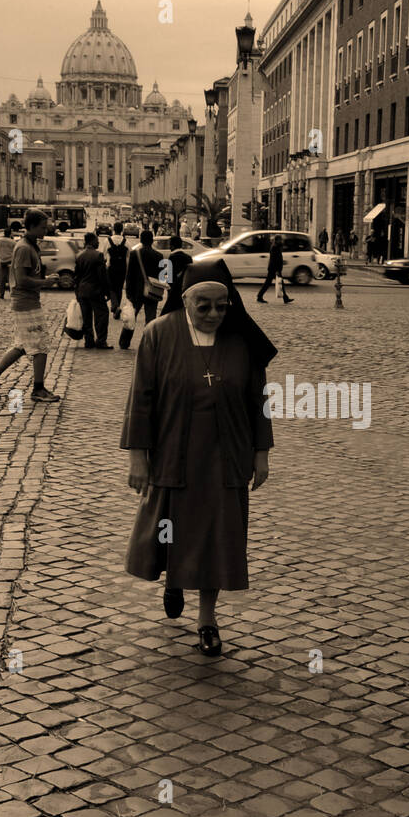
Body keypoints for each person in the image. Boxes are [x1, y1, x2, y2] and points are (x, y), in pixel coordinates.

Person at [122, 258, 277, 657]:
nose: (213, 314)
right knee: (170, 531)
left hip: (226, 457)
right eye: (203, 306)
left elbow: (258, 400)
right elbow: (141, 399)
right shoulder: (158, 334)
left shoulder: (242, 340)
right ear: (185, 300)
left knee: (217, 541)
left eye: (222, 306)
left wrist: (261, 454)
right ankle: (174, 579)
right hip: (173, 452)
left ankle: (207, 619)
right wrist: (138, 456)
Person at [0, 208, 62, 404]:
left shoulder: (31, 245)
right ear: (31, 227)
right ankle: (38, 389)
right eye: (42, 227)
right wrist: (45, 282)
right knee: (41, 344)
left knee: (22, 345)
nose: (46, 230)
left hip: (26, 301)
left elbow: (29, 274)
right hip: (26, 303)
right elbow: (22, 279)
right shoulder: (24, 248)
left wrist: (45, 277)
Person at [120, 230, 165, 350]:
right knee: (151, 319)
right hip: (153, 292)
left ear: (141, 240)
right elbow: (164, 277)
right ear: (152, 241)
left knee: (131, 317)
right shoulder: (159, 256)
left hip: (136, 292)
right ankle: (149, 344)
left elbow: (129, 275)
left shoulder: (135, 254)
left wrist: (128, 292)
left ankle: (124, 342)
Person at [74, 232, 112, 350]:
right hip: (95, 291)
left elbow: (77, 277)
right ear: (91, 241)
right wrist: (107, 292)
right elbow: (102, 276)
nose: (98, 242)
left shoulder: (79, 255)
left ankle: (89, 341)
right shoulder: (98, 255)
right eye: (97, 240)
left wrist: (77, 292)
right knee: (102, 316)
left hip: (82, 291)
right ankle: (101, 341)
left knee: (86, 317)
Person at [158, 235, 196, 317]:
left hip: (173, 290)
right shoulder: (188, 257)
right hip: (185, 288)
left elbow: (169, 277)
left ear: (172, 246)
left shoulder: (172, 258)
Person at [258, 233, 294, 304]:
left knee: (278, 283)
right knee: (269, 283)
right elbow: (274, 260)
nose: (282, 241)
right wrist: (277, 270)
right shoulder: (275, 247)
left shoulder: (277, 246)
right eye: (280, 239)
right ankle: (259, 296)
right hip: (274, 269)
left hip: (275, 268)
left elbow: (277, 258)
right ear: (277, 240)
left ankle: (285, 298)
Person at [0, 228, 15, 299]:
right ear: (10, 233)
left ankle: (1, 294)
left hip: (2, 261)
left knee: (2, 278)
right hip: (10, 260)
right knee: (10, 279)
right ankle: (11, 294)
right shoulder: (13, 242)